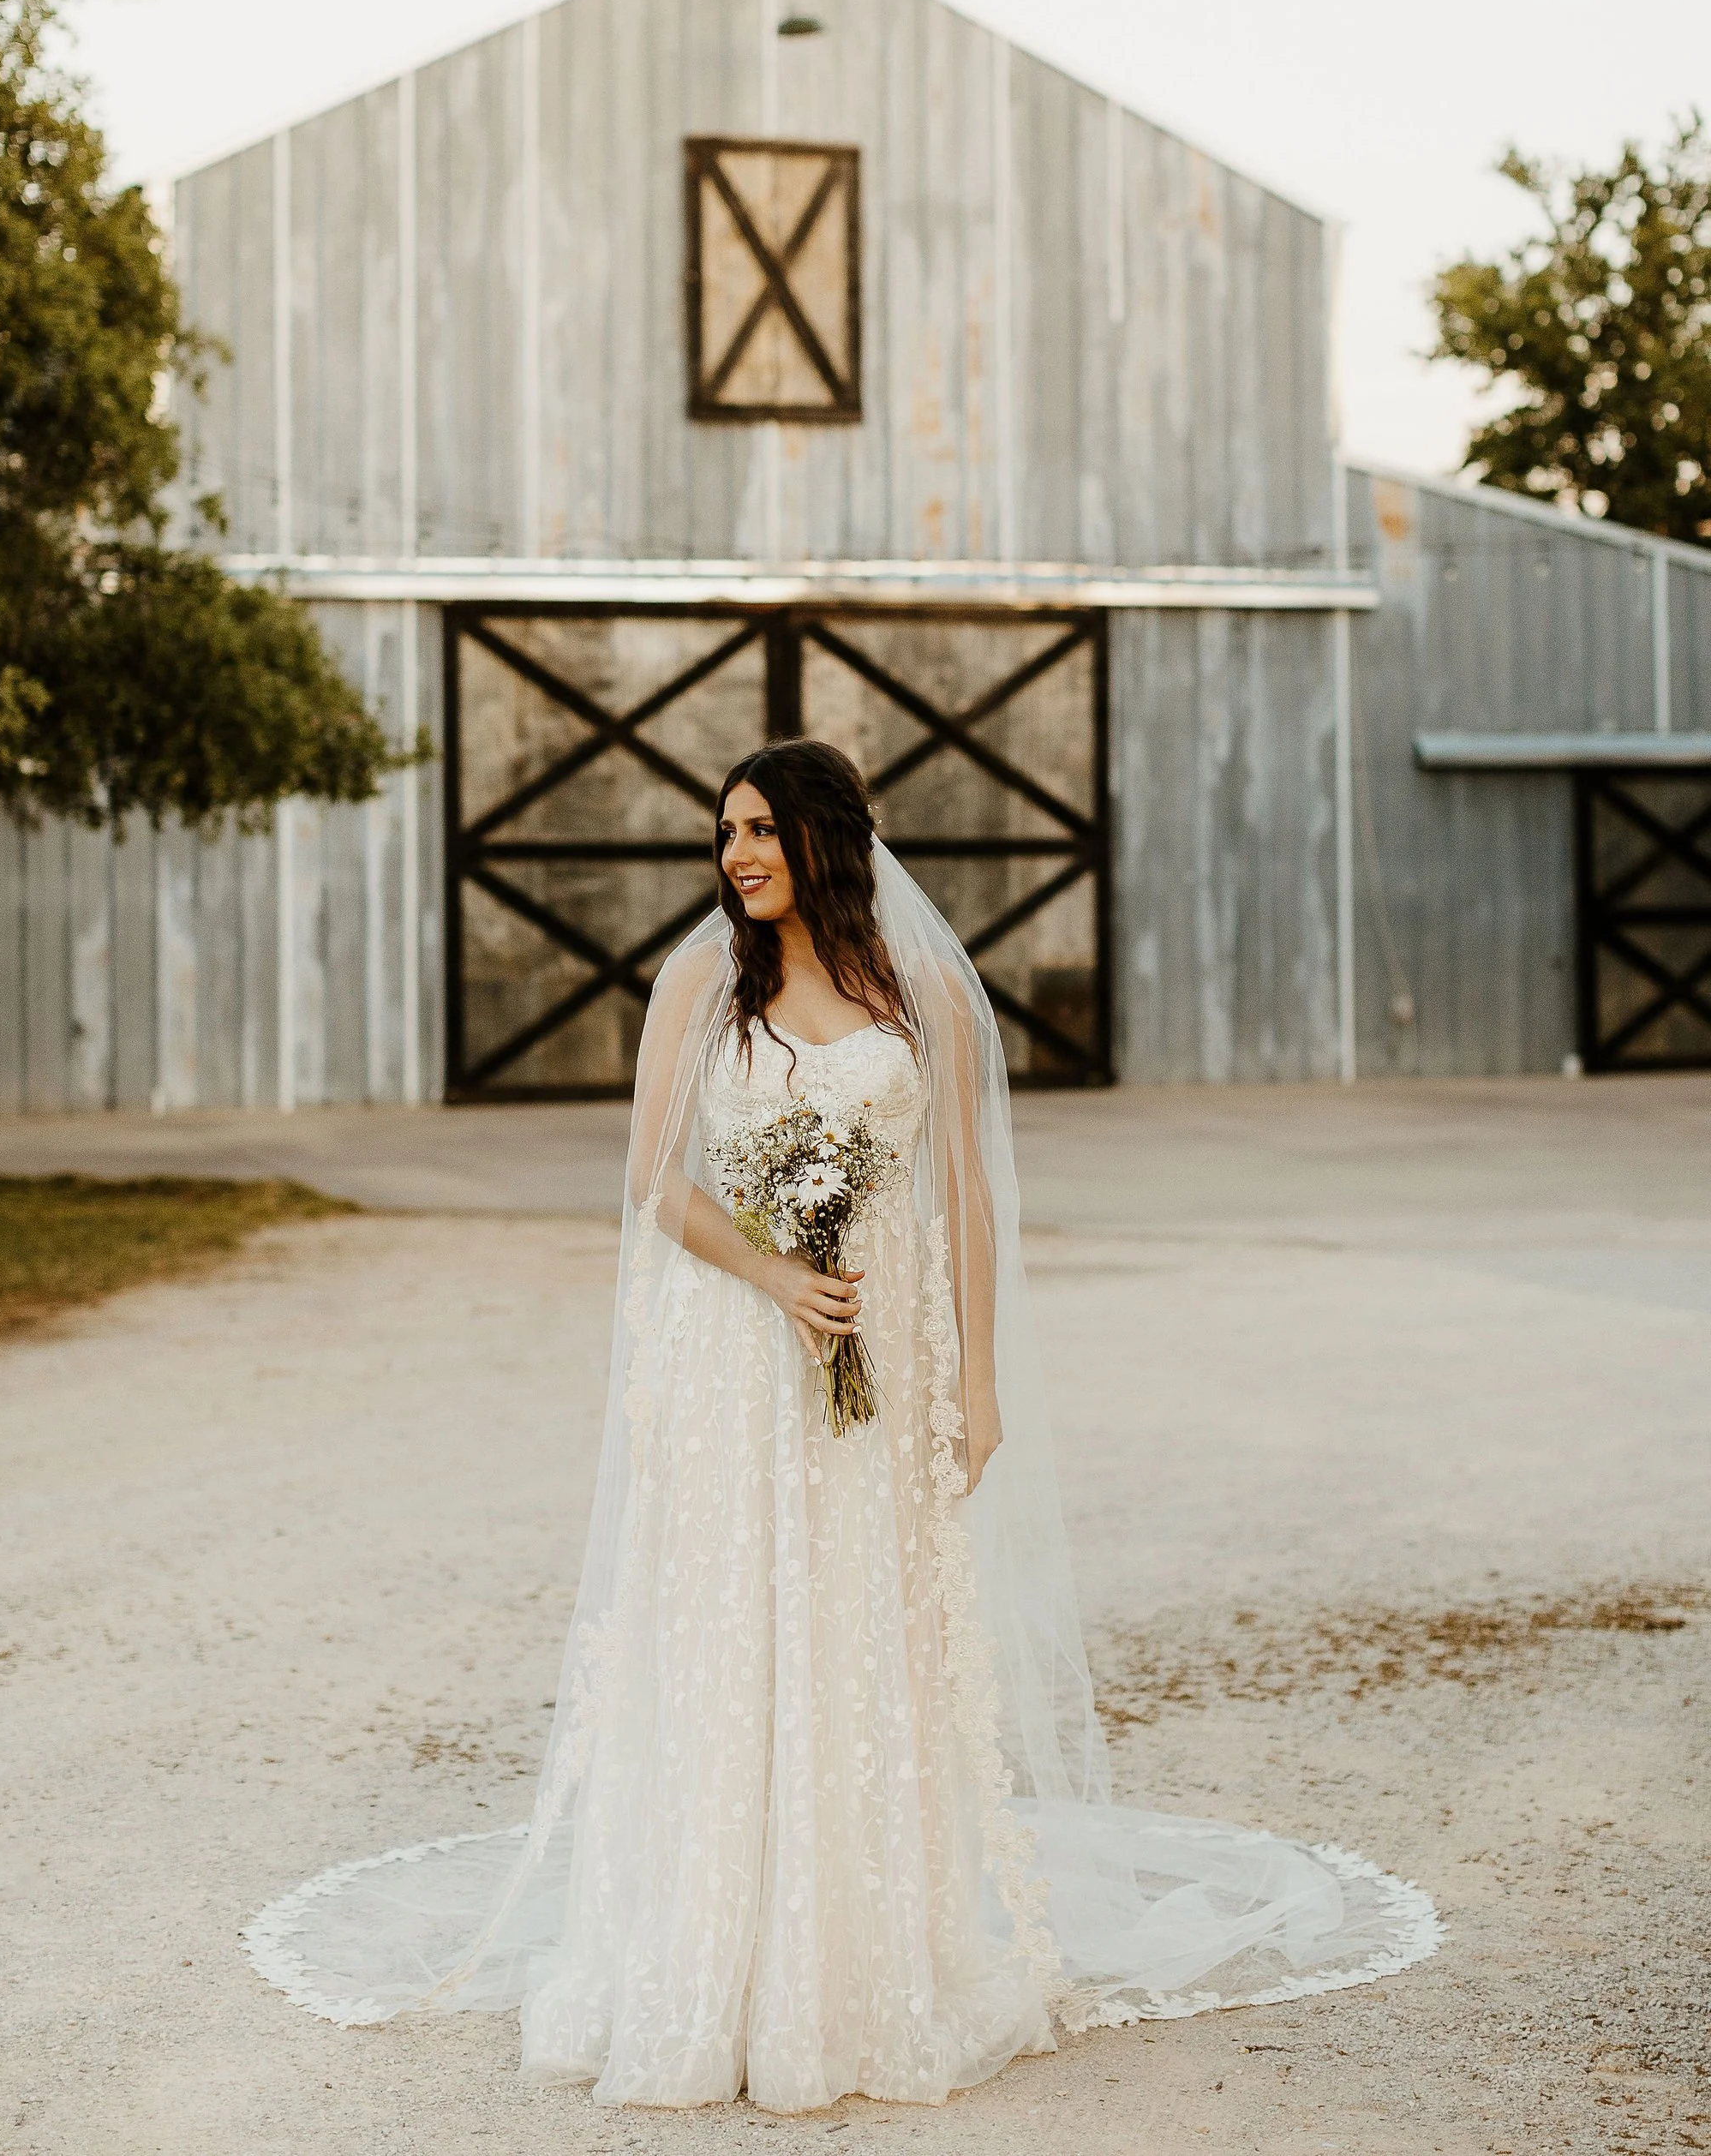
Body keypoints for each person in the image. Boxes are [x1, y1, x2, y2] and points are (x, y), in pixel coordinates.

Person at [244, 739, 1440, 2111]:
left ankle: (855, 1966)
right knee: (735, 1632)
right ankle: (717, 1963)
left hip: (882, 1349)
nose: (739, 853)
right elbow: (654, 1187)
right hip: (735, 1364)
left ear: (826, 837)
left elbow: (968, 1196)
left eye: (761, 828)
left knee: (858, 1633)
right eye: (727, 831)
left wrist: (974, 1383)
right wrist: (772, 1271)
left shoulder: (918, 985)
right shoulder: (700, 981)